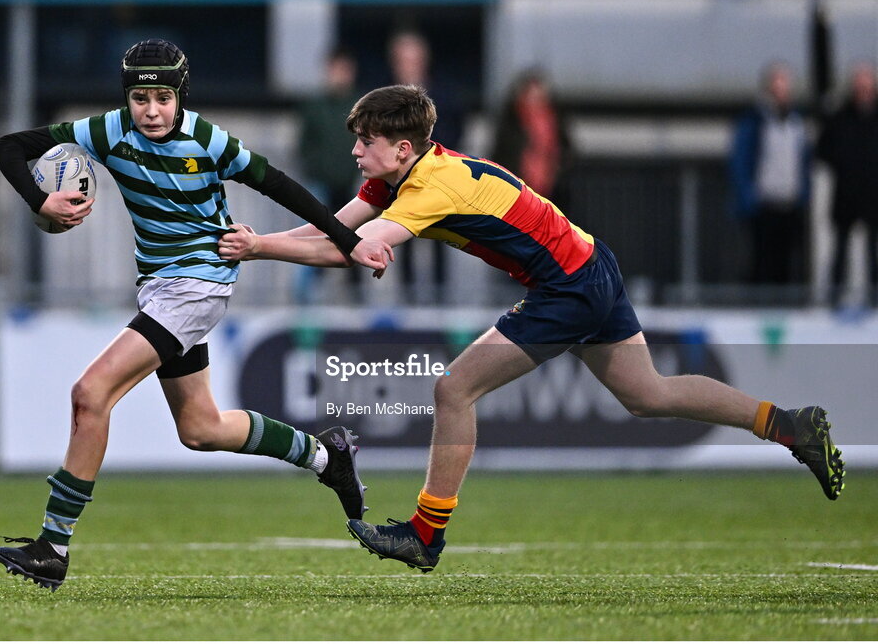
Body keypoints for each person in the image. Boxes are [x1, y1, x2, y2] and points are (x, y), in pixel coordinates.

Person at [219, 84, 846, 573]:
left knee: (453, 389)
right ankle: (789, 425)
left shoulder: (430, 189)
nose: (356, 150)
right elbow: (333, 230)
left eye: (366, 141)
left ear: (403, 148)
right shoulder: (405, 175)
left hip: (569, 286)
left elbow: (344, 250)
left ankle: (425, 535)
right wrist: (261, 241)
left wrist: (260, 248)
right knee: (648, 394)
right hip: (590, 264)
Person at [0, 39, 391, 591]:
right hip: (159, 290)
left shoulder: (208, 141)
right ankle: (327, 456)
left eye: (163, 98)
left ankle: (52, 547)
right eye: (140, 99)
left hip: (199, 284)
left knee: (90, 394)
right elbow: (9, 146)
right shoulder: (107, 131)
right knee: (201, 429)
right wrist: (41, 201)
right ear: (126, 98)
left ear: (181, 96)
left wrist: (349, 241)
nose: (151, 111)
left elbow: (284, 188)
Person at [384, 29, 464, 304]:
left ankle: (441, 302)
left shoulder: (443, 95)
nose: (408, 66)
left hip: (437, 181)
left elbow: (456, 128)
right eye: (403, 60)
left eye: (413, 60)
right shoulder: (384, 100)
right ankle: (408, 302)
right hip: (401, 184)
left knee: (441, 239)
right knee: (402, 240)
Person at [729, 62, 812, 287]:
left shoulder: (796, 122)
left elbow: (803, 161)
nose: (782, 91)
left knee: (787, 265)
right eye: (777, 85)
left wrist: (803, 194)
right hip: (763, 205)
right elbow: (741, 161)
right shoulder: (755, 121)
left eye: (785, 85)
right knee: (761, 264)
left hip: (791, 204)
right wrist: (748, 196)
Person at [294, 46, 365, 304]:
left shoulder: (360, 106)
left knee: (354, 239)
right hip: (322, 187)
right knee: (316, 240)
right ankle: (307, 298)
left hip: (351, 187)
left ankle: (356, 295)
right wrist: (317, 170)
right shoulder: (315, 106)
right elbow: (304, 146)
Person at [817, 62, 878, 307]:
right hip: (846, 194)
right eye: (859, 86)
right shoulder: (839, 118)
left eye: (867, 86)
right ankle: (835, 299)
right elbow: (823, 151)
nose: (864, 91)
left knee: (873, 252)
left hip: (874, 195)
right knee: (840, 250)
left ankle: (874, 300)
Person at [490, 69, 570, 201]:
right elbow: (503, 150)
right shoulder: (512, 119)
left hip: (551, 184)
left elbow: (564, 147)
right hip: (516, 183)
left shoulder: (555, 118)